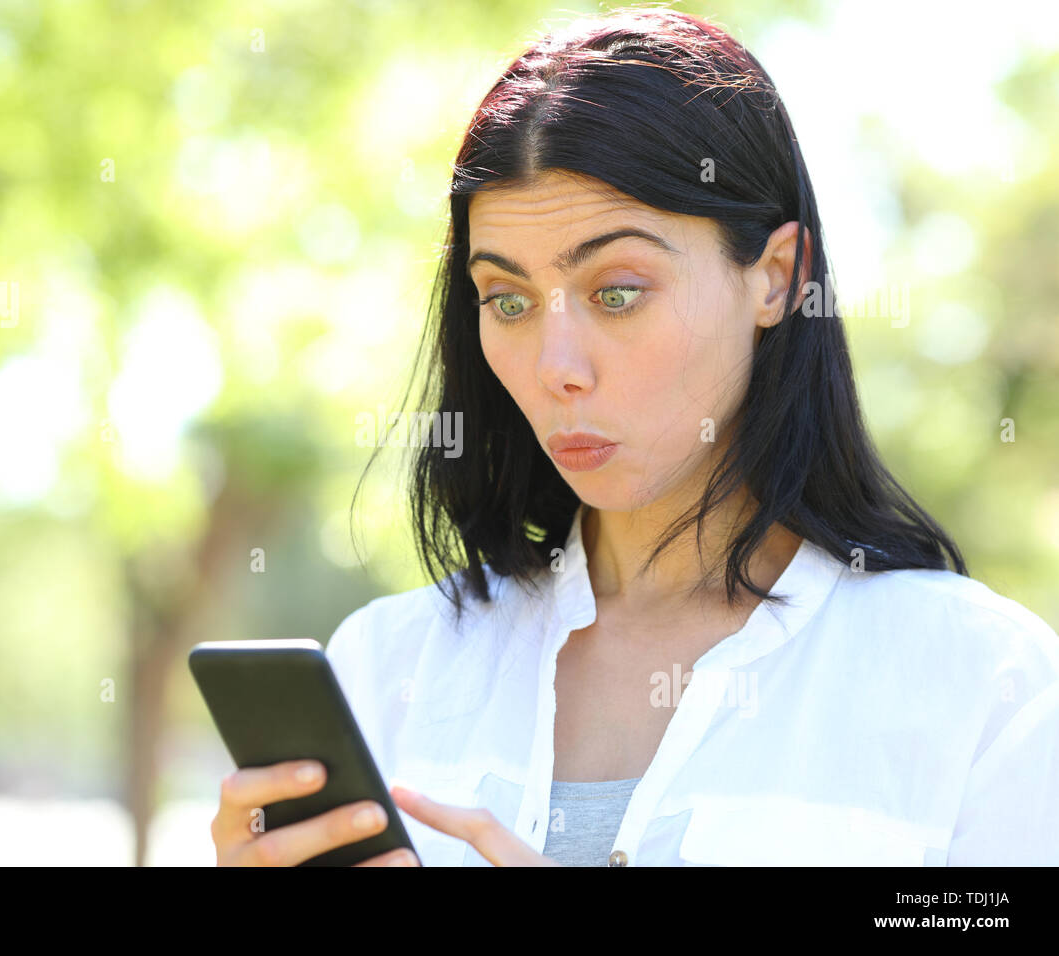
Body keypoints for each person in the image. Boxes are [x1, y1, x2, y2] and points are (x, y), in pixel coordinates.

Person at [210, 5, 1059, 866]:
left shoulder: (984, 686)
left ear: (776, 279)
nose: (557, 366)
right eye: (507, 300)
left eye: (616, 291)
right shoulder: (385, 672)